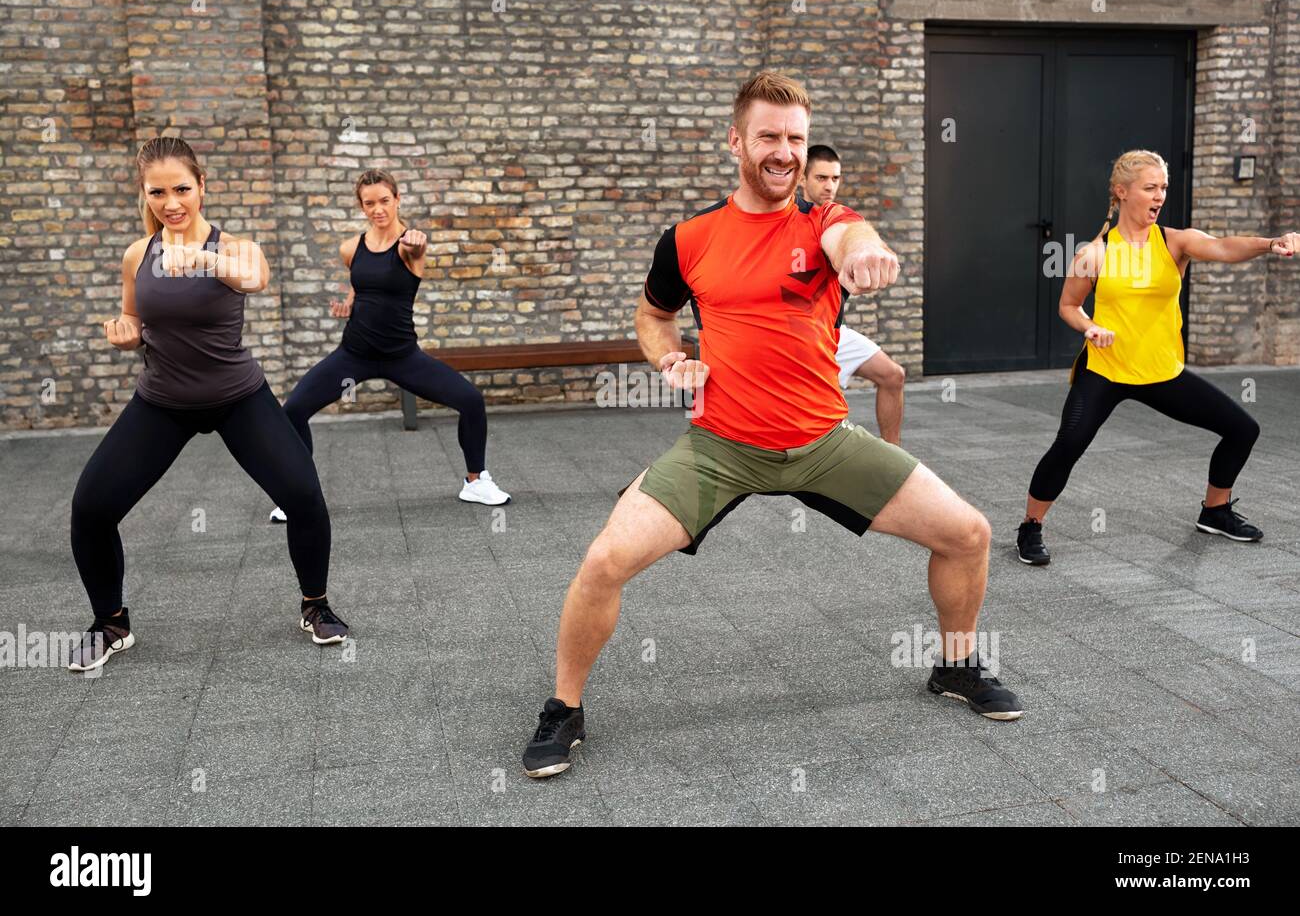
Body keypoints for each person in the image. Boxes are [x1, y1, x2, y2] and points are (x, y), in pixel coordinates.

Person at [521, 72, 1024, 780]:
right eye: (769, 136)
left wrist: (867, 255)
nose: (784, 151)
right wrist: (670, 359)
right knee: (605, 561)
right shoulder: (690, 239)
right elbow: (651, 315)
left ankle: (956, 666)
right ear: (736, 141)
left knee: (969, 534)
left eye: (794, 137)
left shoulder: (822, 222)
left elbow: (854, 238)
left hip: (823, 442)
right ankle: (562, 708)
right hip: (721, 445)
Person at [68, 136, 346, 672]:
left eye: (181, 189)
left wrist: (199, 258)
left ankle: (315, 605)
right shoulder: (137, 255)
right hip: (162, 401)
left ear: (202, 188)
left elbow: (255, 279)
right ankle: (111, 623)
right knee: (91, 507)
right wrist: (124, 333)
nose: (171, 202)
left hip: (237, 396)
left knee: (303, 494)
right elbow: (134, 321)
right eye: (158, 192)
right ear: (144, 193)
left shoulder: (235, 248)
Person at [1017, 149, 1296, 566]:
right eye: (1150, 187)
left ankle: (1215, 511)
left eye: (1163, 187)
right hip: (1107, 370)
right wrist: (1088, 326)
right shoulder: (1096, 252)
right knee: (1070, 442)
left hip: (1162, 371)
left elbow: (1222, 246)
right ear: (1121, 192)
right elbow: (1068, 306)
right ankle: (1031, 527)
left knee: (1243, 428)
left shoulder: (1174, 241)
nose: (1160, 195)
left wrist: (1270, 244)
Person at [267, 169, 510, 524]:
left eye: (384, 200)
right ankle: (299, 495)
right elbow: (360, 284)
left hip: (402, 357)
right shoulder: (351, 248)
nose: (377, 209)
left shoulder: (410, 247)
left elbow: (417, 247)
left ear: (397, 199)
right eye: (369, 203)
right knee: (294, 410)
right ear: (361, 206)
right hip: (353, 356)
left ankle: (475, 481)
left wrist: (416, 241)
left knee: (471, 401)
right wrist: (348, 303)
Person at [802, 144, 907, 444]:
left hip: (837, 332)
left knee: (893, 376)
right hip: (803, 338)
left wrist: (868, 253)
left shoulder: (838, 218)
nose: (829, 186)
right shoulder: (796, 220)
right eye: (821, 178)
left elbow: (855, 235)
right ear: (803, 179)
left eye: (835, 178)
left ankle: (894, 456)